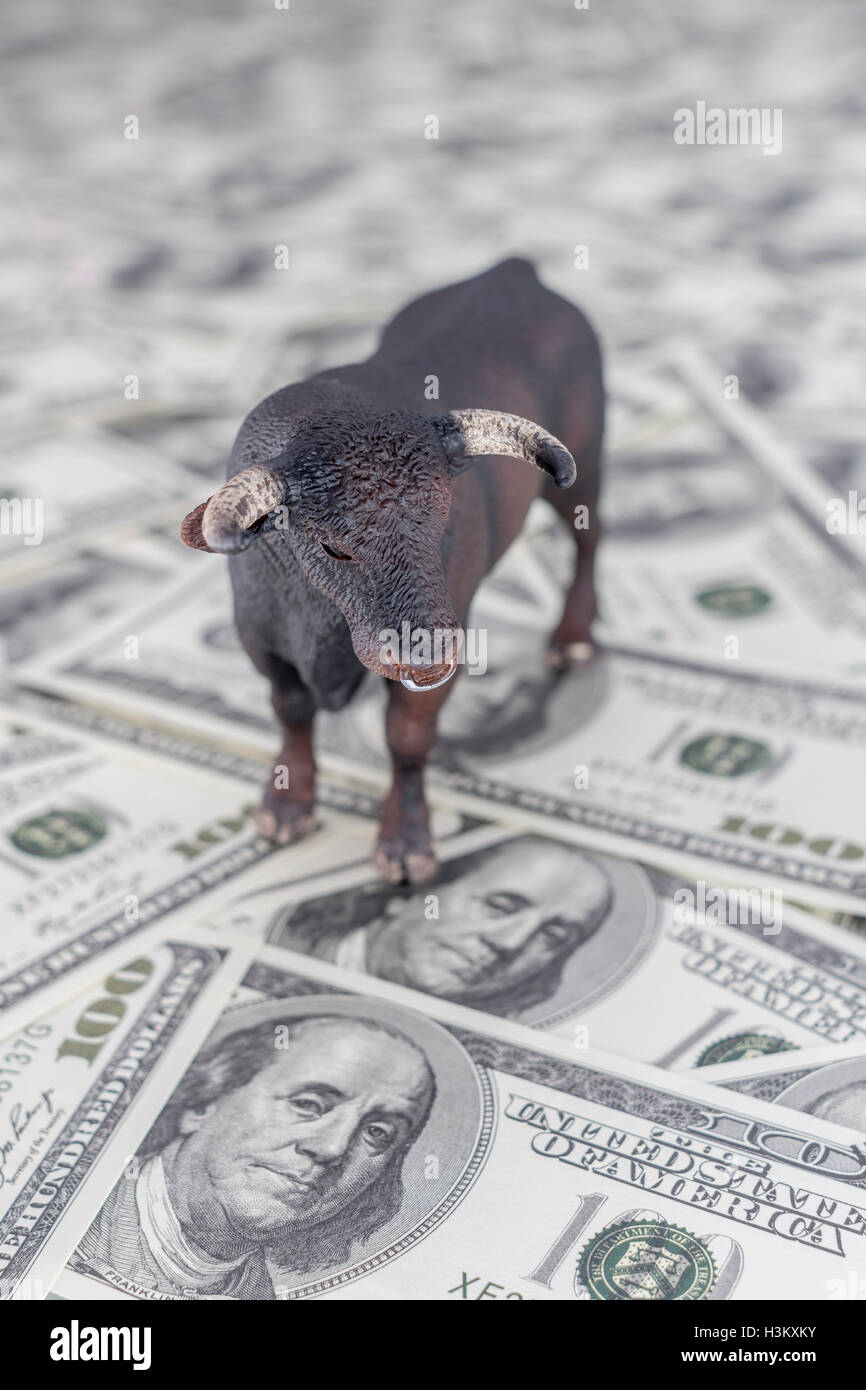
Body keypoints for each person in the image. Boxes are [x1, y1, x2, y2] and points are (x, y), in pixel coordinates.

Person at [74, 1013, 435, 1298]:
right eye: (307, 1104)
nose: (331, 1148)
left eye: (378, 1133)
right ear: (205, 1101)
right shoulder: (75, 1214)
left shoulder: (256, 1292)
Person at [273, 838, 613, 1016]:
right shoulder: (277, 940)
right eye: (499, 906)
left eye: (552, 936)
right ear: (412, 892)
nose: (510, 942)